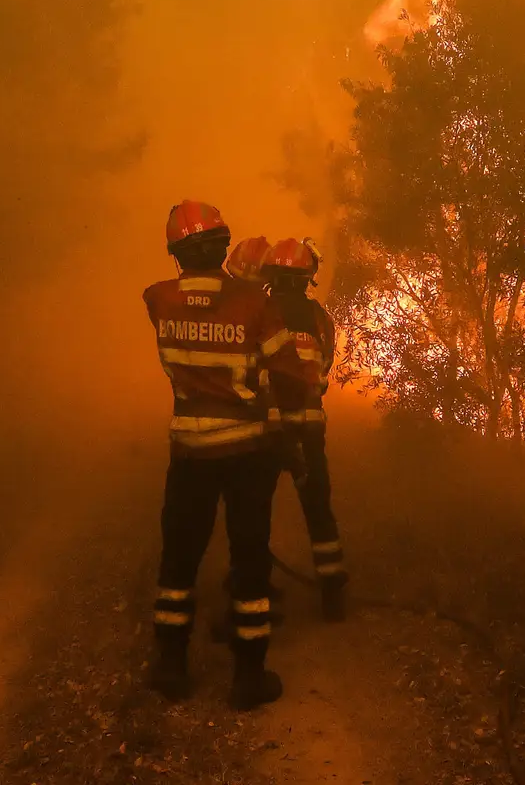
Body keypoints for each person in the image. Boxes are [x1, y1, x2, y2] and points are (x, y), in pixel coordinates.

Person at [143, 201, 320, 708]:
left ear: (175, 253)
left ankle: (171, 667)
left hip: (189, 450)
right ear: (223, 245)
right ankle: (248, 676)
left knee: (178, 559)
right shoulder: (253, 304)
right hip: (246, 450)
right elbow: (291, 369)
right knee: (249, 560)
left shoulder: (157, 299)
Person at [261, 237, 348, 621]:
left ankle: (255, 587)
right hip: (310, 426)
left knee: (255, 508)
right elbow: (325, 366)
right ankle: (332, 593)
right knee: (318, 509)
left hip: (267, 427)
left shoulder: (259, 312)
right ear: (307, 277)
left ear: (272, 276)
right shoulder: (320, 318)